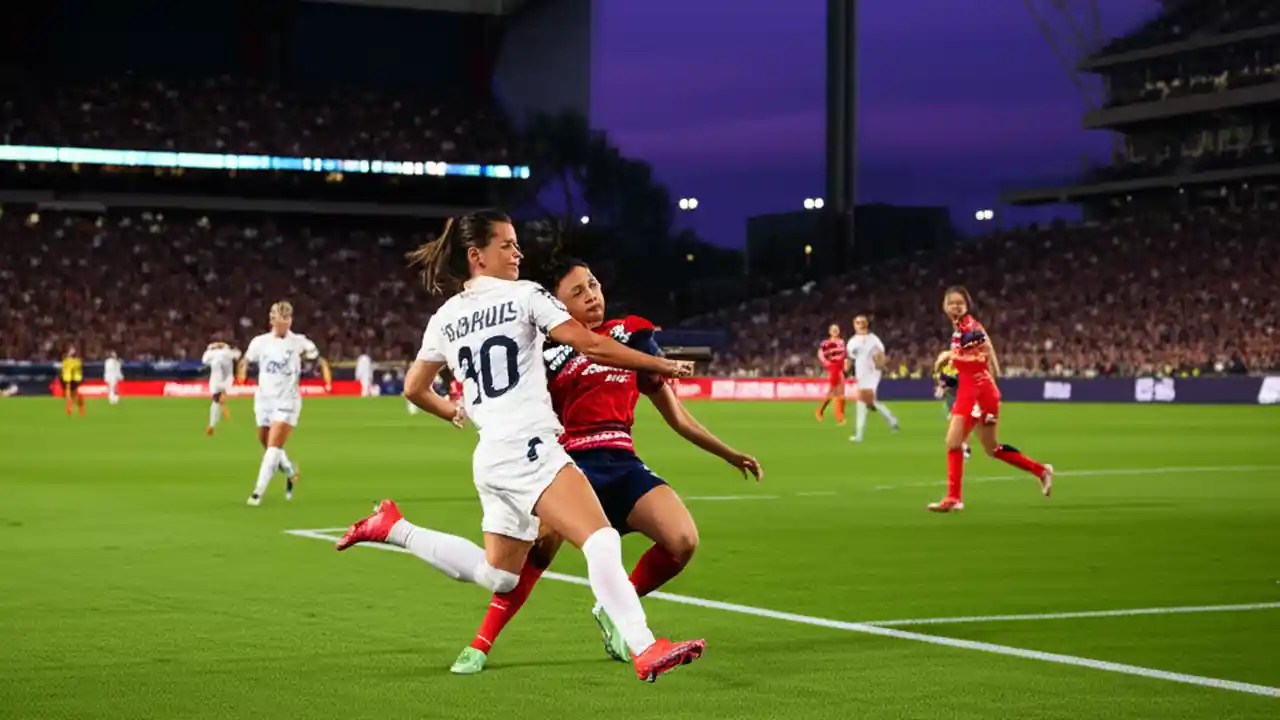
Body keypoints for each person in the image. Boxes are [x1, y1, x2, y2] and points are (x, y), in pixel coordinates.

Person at [334, 209, 706, 682]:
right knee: (602, 539)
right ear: (477, 255)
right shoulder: (526, 296)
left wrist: (451, 411)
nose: (518, 253)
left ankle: (394, 527)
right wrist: (666, 366)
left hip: (491, 456)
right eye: (507, 245)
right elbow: (589, 345)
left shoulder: (445, 317)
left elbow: (413, 387)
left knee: (499, 576)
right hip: (531, 449)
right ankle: (645, 646)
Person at [449, 256, 762, 675]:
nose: (591, 295)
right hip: (565, 465)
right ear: (557, 306)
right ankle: (480, 643)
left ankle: (613, 607)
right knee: (534, 554)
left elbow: (677, 414)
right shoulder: (540, 352)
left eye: (593, 285)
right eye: (577, 293)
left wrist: (728, 452)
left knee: (682, 540)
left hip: (623, 463)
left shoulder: (631, 335)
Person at [928, 287, 1053, 512]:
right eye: (951, 303)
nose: (955, 307)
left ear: (967, 305)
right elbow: (977, 359)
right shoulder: (960, 330)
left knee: (953, 442)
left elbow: (979, 358)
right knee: (991, 448)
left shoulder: (970, 327)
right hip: (976, 391)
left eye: (960, 303)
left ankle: (954, 498)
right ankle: (1041, 470)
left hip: (977, 393)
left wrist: (949, 356)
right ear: (944, 307)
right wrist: (947, 378)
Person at [236, 302, 331, 505]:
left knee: (273, 447)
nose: (285, 324)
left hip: (288, 400)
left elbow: (316, 359)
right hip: (263, 400)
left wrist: (315, 366)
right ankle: (289, 470)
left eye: (288, 320)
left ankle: (257, 493)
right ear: (272, 321)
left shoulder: (299, 342)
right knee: (266, 442)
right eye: (281, 320)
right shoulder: (259, 342)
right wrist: (242, 371)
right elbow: (245, 360)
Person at [846, 315, 899, 442]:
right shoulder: (852, 342)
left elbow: (880, 356)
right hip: (861, 375)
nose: (861, 324)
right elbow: (851, 360)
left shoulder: (874, 339)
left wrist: (881, 365)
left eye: (863, 322)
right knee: (869, 402)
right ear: (854, 325)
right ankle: (892, 421)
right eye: (858, 322)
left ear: (867, 324)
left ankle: (859, 435)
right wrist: (848, 373)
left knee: (861, 402)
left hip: (872, 374)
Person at [933, 350, 971, 461]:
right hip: (952, 398)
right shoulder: (947, 369)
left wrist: (942, 388)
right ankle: (963, 446)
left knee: (958, 423)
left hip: (958, 398)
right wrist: (941, 388)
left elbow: (952, 382)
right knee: (957, 423)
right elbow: (944, 381)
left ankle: (964, 447)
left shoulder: (954, 368)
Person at [202, 340, 241, 436]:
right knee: (217, 400)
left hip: (217, 380)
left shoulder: (212, 352)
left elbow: (204, 360)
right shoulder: (228, 352)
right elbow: (238, 354)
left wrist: (211, 348)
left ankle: (212, 424)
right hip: (227, 379)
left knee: (216, 400)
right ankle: (214, 422)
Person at [814, 324, 848, 424]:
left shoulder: (842, 342)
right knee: (834, 392)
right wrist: (826, 362)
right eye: (833, 329)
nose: (835, 331)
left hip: (840, 368)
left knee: (840, 392)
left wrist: (845, 365)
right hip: (833, 368)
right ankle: (837, 416)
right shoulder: (826, 343)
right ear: (829, 332)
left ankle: (835, 415)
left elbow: (844, 355)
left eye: (836, 329)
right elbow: (820, 354)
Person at [60, 346, 84, 417]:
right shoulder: (69, 361)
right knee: (70, 395)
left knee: (71, 395)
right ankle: (73, 409)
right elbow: (64, 370)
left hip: (73, 380)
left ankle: (76, 409)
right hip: (68, 379)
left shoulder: (75, 362)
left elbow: (71, 369)